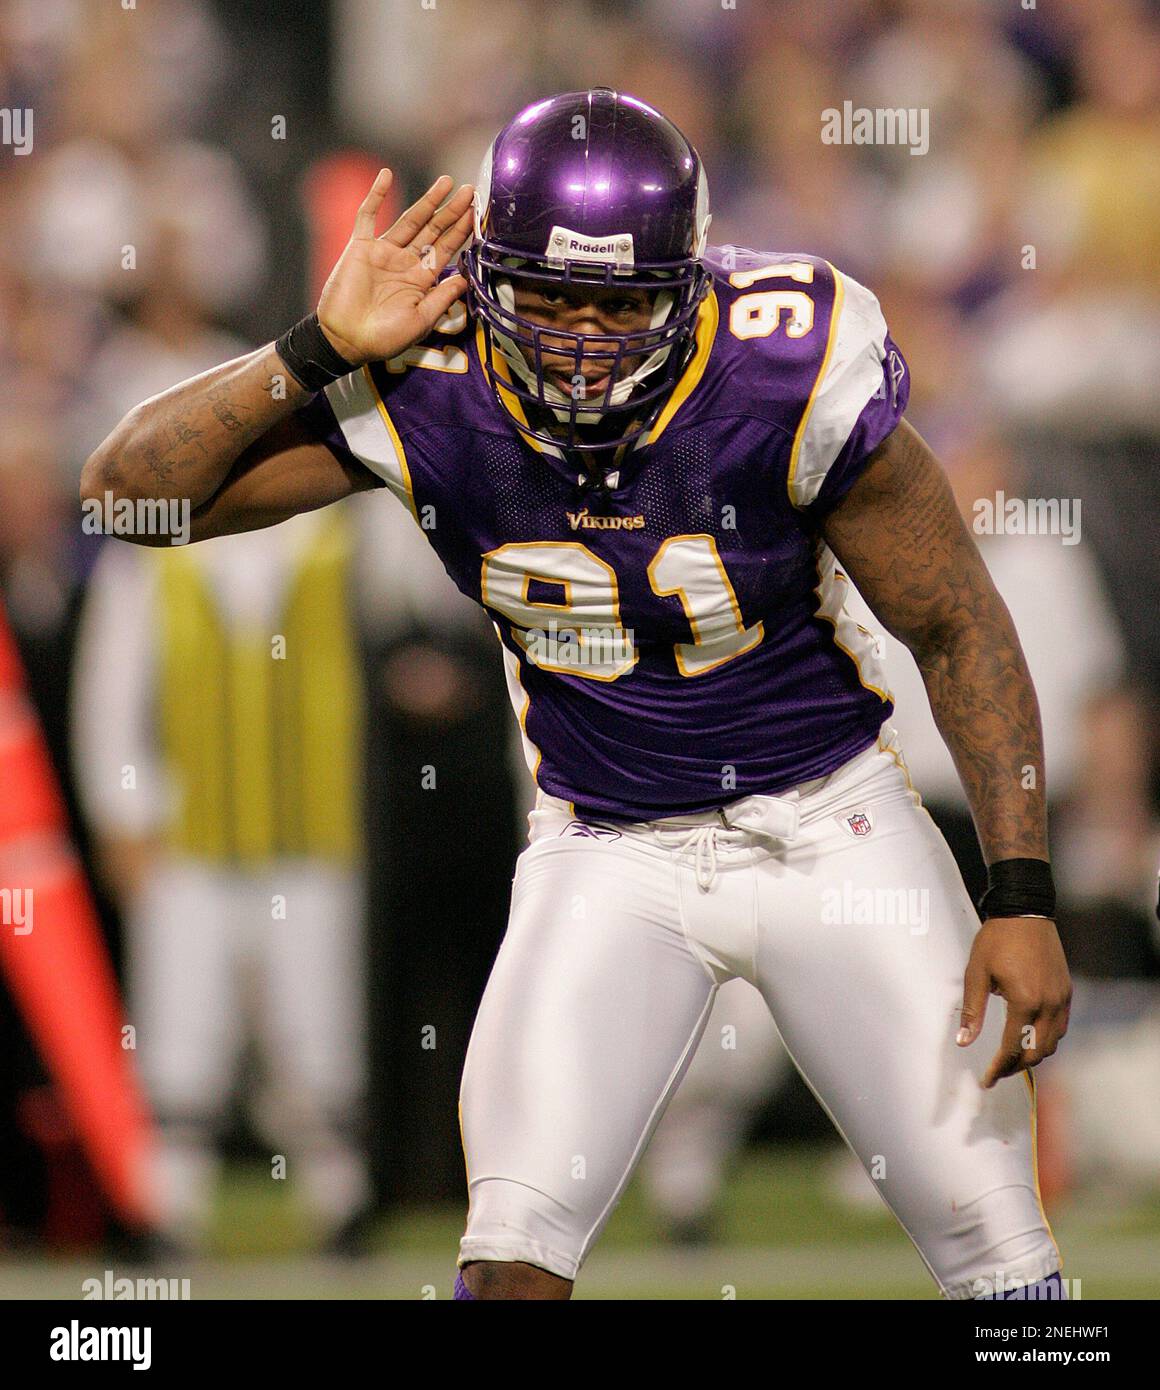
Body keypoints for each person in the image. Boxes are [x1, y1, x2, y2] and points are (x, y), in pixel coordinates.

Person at [83, 89, 1071, 1301]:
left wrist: (1017, 890)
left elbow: (953, 621)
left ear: (688, 286)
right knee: (509, 1259)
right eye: (546, 297)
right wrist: (313, 348)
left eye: (616, 304)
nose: (579, 339)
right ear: (486, 277)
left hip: (833, 826)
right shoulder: (423, 374)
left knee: (1001, 1261)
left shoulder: (781, 362)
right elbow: (126, 499)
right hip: (606, 851)